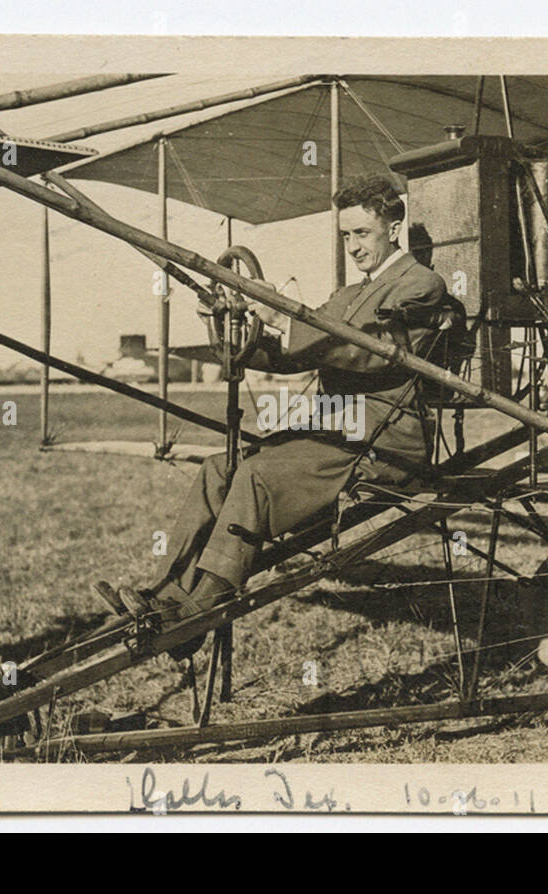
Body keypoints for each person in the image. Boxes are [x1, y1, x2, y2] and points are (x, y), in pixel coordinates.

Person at [117, 176, 462, 655]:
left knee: (257, 474)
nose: (353, 247)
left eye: (362, 233)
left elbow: (379, 353)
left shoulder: (421, 285)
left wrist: (282, 317)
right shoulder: (348, 294)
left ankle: (203, 610)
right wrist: (231, 325)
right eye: (345, 236)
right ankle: (168, 596)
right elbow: (297, 355)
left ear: (395, 228)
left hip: (383, 438)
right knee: (219, 468)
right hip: (339, 429)